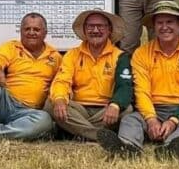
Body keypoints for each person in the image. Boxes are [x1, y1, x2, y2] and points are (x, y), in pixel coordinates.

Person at [98, 0, 179, 158]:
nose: (165, 27)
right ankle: (127, 147)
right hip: (153, 108)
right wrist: (151, 119)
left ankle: (172, 147)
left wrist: (174, 120)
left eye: (170, 22)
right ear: (153, 26)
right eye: (159, 23)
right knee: (130, 120)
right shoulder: (141, 53)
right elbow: (141, 91)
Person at [0, 12, 59, 147]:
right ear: (21, 31)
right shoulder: (12, 47)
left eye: (36, 29)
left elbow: (61, 81)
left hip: (28, 113)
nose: (31, 32)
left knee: (45, 120)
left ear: (45, 33)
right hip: (4, 103)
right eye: (27, 29)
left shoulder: (55, 57)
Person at [44, 8, 131, 142]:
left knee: (127, 109)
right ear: (84, 30)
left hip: (105, 110)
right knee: (51, 103)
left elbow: (124, 86)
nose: (95, 30)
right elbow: (62, 80)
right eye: (91, 26)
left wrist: (115, 105)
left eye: (100, 26)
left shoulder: (120, 56)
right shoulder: (73, 54)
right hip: (79, 109)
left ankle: (77, 132)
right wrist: (60, 99)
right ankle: (99, 136)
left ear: (109, 30)